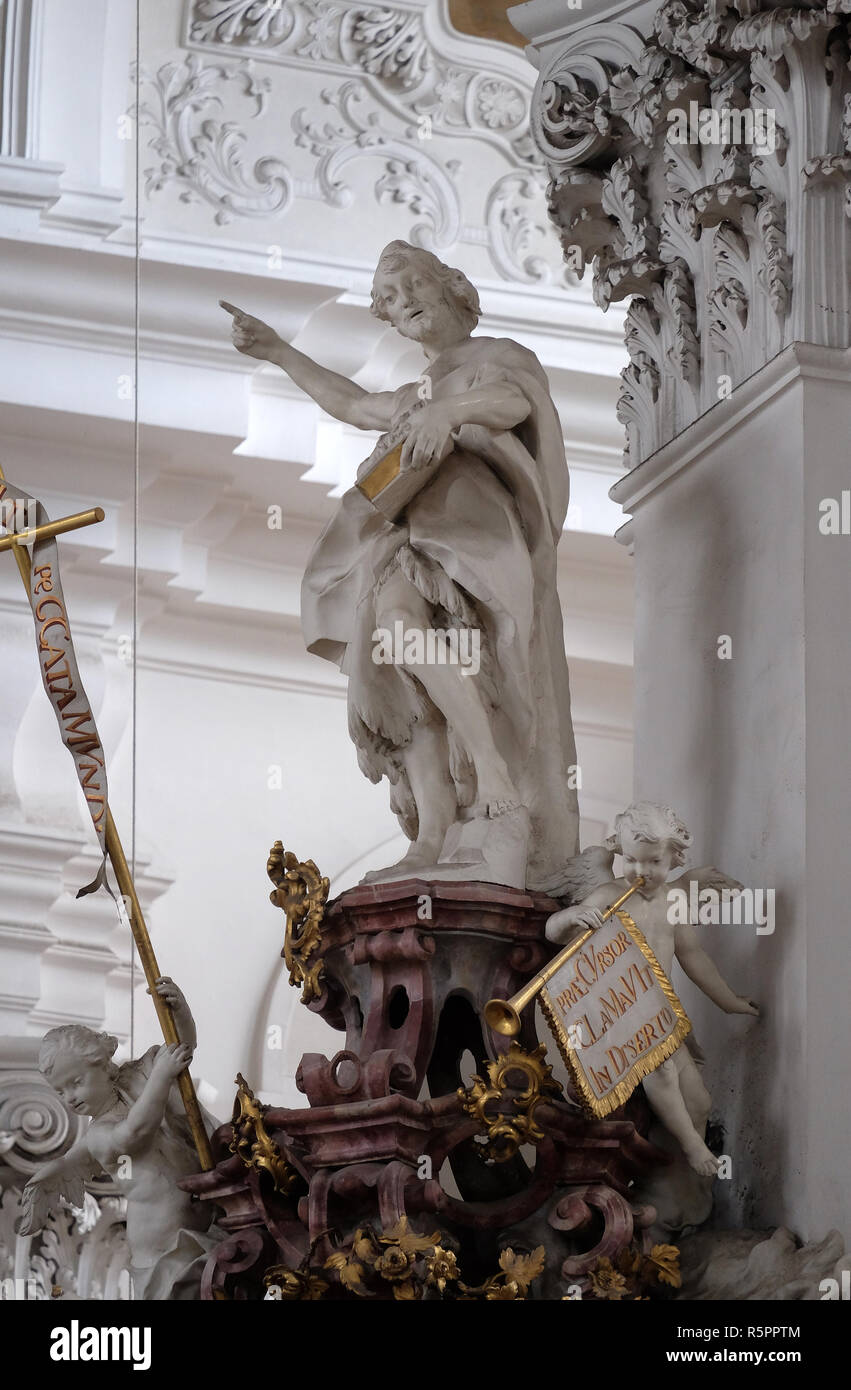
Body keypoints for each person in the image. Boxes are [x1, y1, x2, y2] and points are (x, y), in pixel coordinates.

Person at [220, 240, 579, 889]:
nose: (402, 301)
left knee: (419, 639)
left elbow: (511, 403)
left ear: (449, 286)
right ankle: (436, 826)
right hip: (408, 533)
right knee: (388, 648)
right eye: (387, 299)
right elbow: (353, 405)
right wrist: (277, 351)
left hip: (475, 533)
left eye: (410, 284)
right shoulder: (416, 391)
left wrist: (451, 411)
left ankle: (496, 783)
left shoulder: (498, 358)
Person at [546, 802, 759, 1175]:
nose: (639, 872)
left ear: (673, 860)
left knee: (700, 1101)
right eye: (631, 860)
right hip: (623, 1014)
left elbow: (693, 957)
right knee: (658, 1072)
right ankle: (694, 1150)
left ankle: (679, 1177)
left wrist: (728, 1001)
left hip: (663, 1014)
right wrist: (572, 917)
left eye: (653, 863)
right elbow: (552, 931)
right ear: (619, 853)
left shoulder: (673, 902)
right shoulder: (609, 896)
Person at [20, 978, 220, 1299]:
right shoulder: (98, 1134)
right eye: (60, 1091)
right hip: (161, 1246)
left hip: (206, 1221)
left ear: (102, 1064)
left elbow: (181, 1045)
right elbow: (136, 1133)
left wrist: (179, 1010)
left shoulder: (140, 1076)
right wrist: (161, 1076)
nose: (69, 1097)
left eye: (76, 1082)